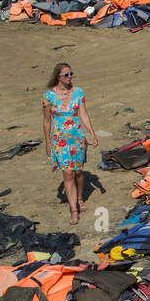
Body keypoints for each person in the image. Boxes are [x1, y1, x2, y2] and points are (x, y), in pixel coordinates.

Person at [41, 64, 98, 224]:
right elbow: (46, 121)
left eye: (71, 74)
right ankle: (74, 210)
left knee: (78, 173)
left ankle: (79, 197)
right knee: (67, 174)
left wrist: (92, 133)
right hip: (60, 140)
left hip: (77, 138)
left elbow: (84, 114)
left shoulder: (78, 92)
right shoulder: (48, 96)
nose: (69, 77)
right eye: (66, 75)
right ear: (58, 77)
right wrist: (47, 142)